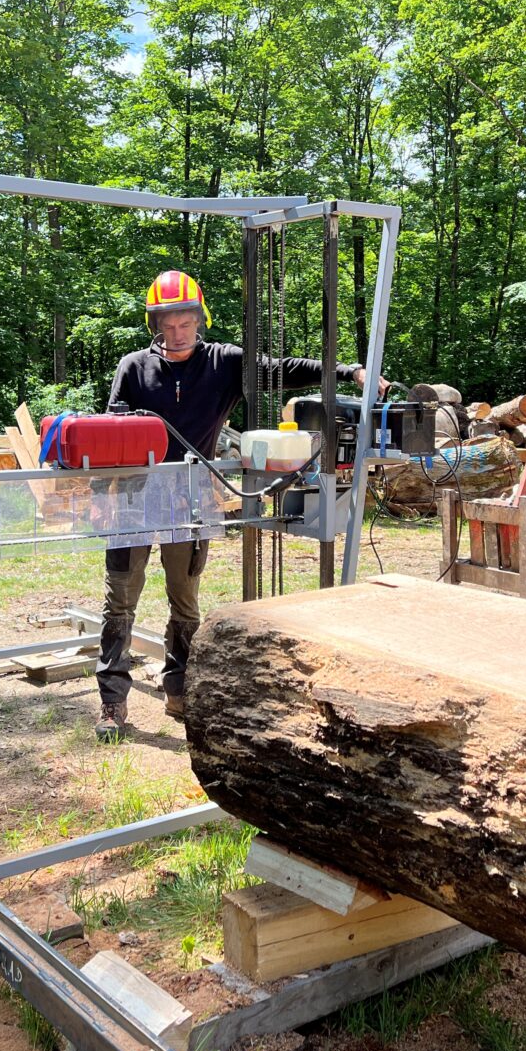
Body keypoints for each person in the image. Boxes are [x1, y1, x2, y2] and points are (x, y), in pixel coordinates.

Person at [95, 269, 387, 741]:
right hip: (133, 502)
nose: (177, 333)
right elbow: (110, 431)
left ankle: (180, 690)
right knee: (120, 601)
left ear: (199, 320)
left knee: (184, 600)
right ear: (155, 324)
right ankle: (112, 702)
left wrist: (350, 372)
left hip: (191, 500)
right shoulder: (133, 367)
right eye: (167, 324)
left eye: (185, 323)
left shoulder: (224, 363)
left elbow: (285, 368)